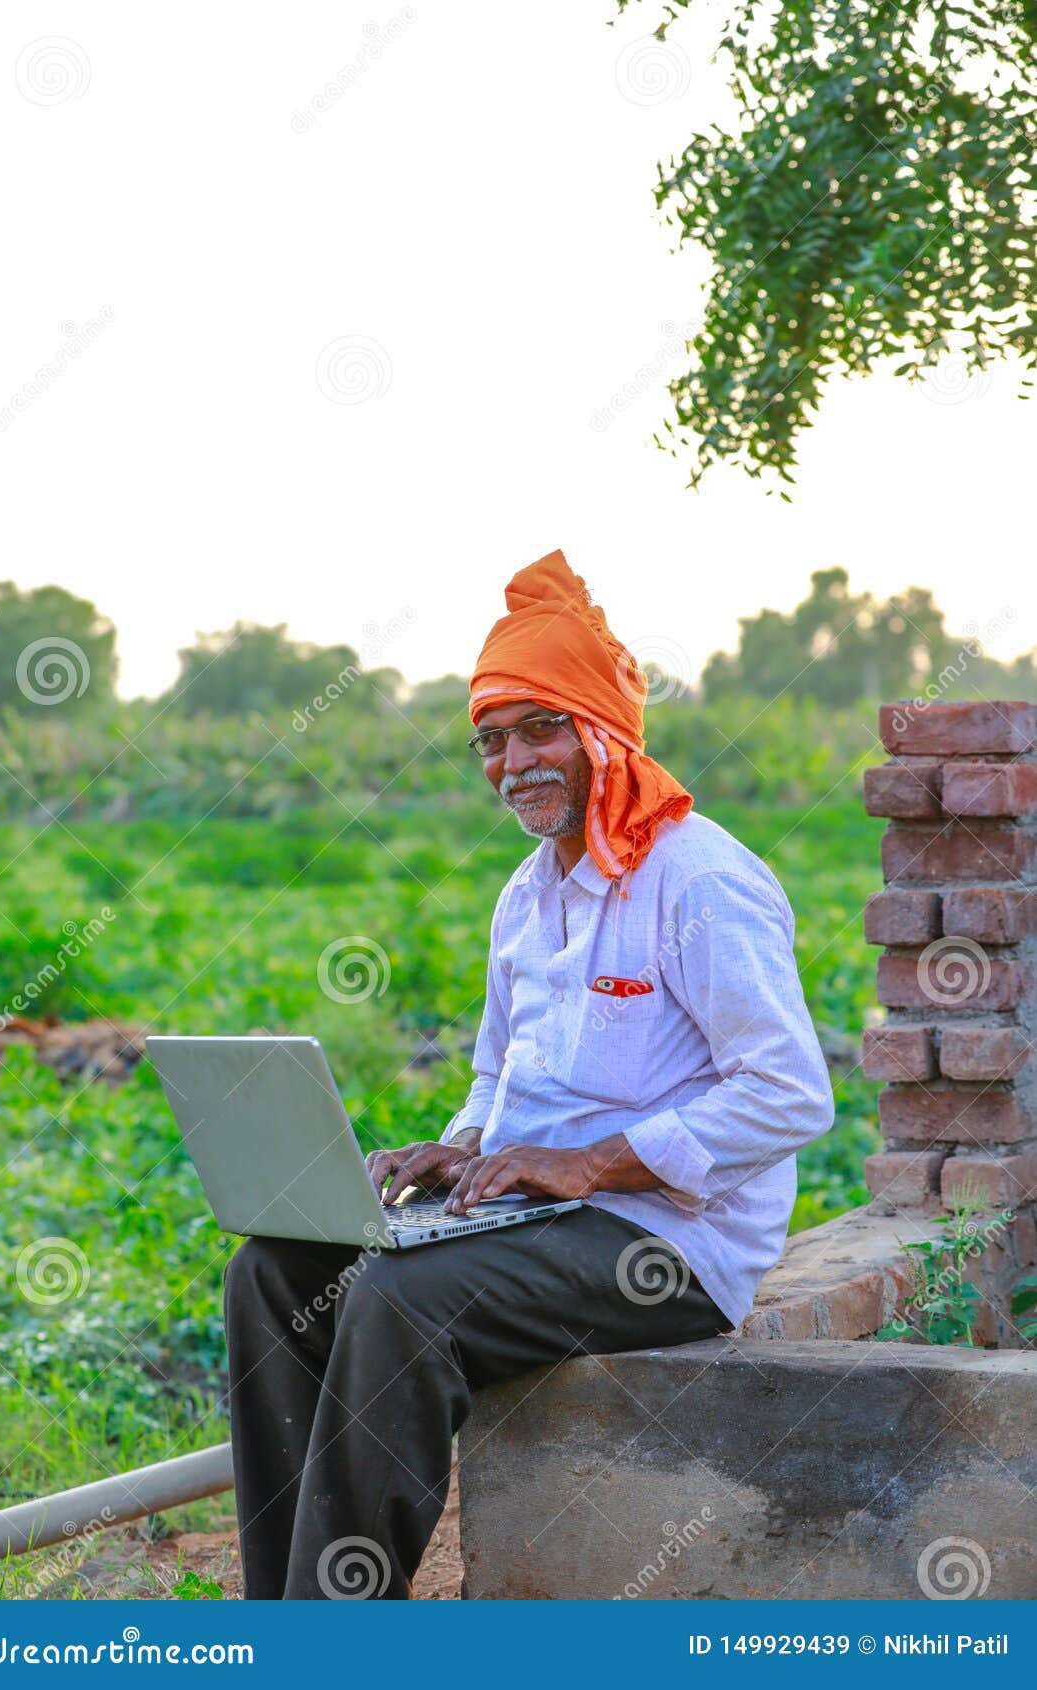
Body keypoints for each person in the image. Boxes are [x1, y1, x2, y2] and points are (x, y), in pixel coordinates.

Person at [222, 549, 835, 1599]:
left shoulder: (697, 881)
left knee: (398, 1299)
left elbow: (790, 1094)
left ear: (602, 730)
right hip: (539, 1218)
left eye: (539, 728)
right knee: (273, 1270)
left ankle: (335, 1633)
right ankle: (276, 1616)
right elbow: (499, 1075)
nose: (513, 762)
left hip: (666, 1239)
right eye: (491, 742)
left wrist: (588, 1164)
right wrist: (457, 1151)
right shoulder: (525, 891)